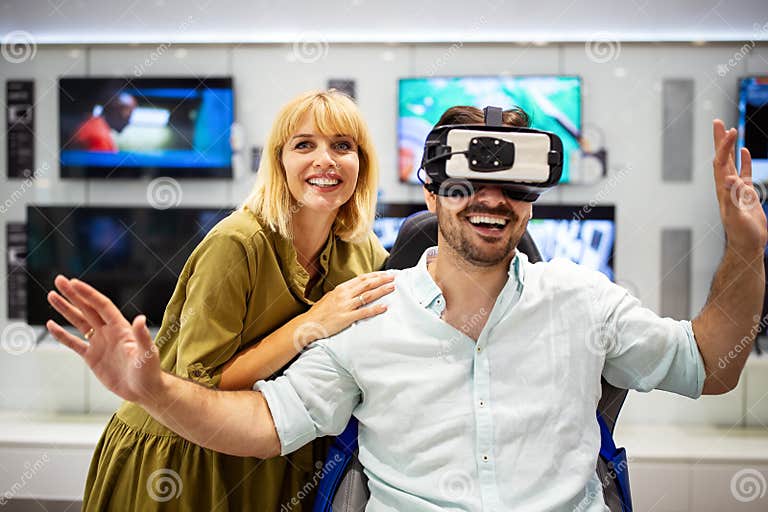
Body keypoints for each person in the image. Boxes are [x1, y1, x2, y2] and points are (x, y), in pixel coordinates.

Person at [47, 107, 766, 511]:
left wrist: (744, 253)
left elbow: (711, 366)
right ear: (430, 194)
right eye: (463, 184)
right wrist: (152, 387)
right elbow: (265, 425)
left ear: (532, 201)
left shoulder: (584, 299)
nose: (490, 200)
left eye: (512, 186)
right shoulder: (369, 311)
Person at [54, 89, 395, 511]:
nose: (325, 159)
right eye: (304, 144)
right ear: (278, 161)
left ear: (361, 163)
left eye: (342, 145)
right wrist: (315, 323)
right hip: (184, 457)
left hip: (279, 455)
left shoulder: (361, 249)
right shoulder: (238, 243)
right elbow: (200, 385)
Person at [72, 93, 138, 152]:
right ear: (116, 111)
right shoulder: (100, 137)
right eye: (129, 115)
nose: (128, 122)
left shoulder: (91, 124)